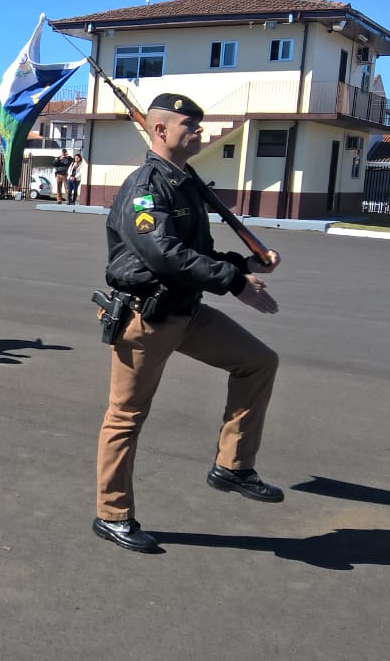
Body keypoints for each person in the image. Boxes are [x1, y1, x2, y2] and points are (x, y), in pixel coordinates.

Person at [93, 93, 283, 554]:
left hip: (187, 310)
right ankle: (111, 514)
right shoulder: (145, 186)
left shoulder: (185, 183)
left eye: (199, 125)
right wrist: (234, 282)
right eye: (189, 125)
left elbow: (196, 250)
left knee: (258, 361)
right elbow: (163, 254)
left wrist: (243, 263)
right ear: (160, 130)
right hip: (147, 316)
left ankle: (232, 467)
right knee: (126, 415)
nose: (198, 131)